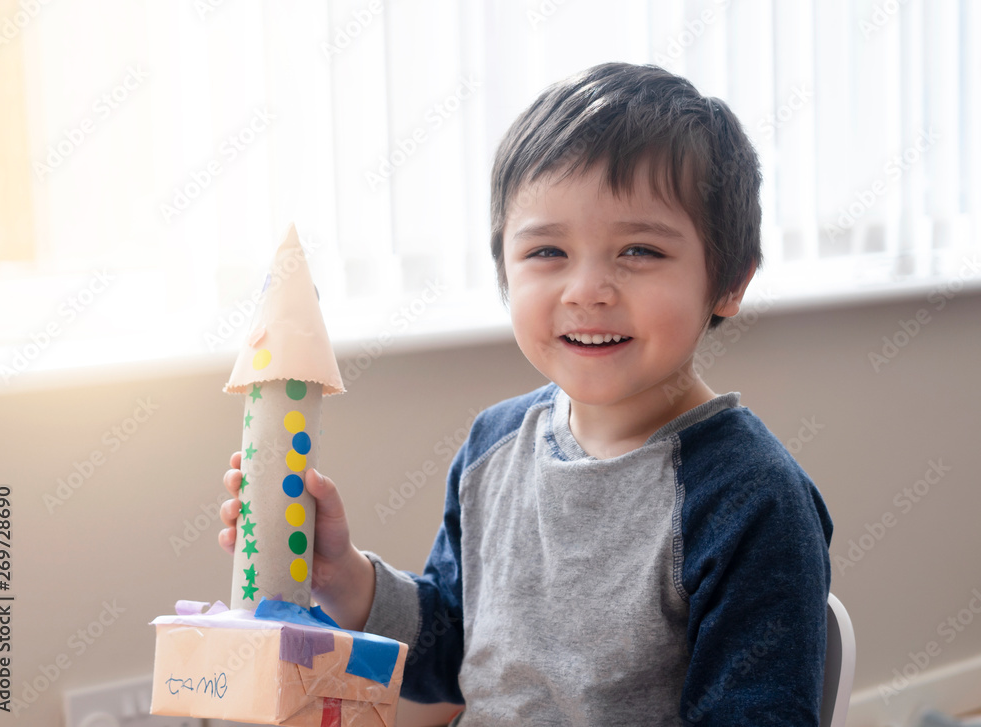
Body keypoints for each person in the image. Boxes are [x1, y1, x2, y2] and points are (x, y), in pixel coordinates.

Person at [219, 62, 833, 725]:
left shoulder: (751, 500)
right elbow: (450, 650)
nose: (586, 290)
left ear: (730, 281)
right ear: (504, 268)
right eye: (547, 252)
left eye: (639, 251)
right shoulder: (495, 445)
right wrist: (342, 575)